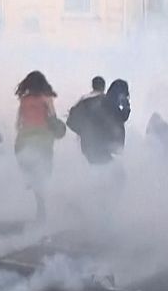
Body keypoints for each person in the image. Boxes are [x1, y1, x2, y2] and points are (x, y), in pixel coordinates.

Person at [14, 71, 64, 222]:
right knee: (44, 172)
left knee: (28, 165)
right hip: (43, 137)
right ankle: (42, 205)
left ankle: (30, 179)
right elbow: (53, 117)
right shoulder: (46, 99)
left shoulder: (23, 100)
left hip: (25, 137)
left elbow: (18, 123)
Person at [66, 76, 119, 165]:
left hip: (86, 143)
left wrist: (82, 132)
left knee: (94, 167)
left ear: (93, 86)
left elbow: (70, 121)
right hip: (104, 143)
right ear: (104, 87)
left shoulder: (82, 101)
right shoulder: (107, 101)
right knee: (109, 169)